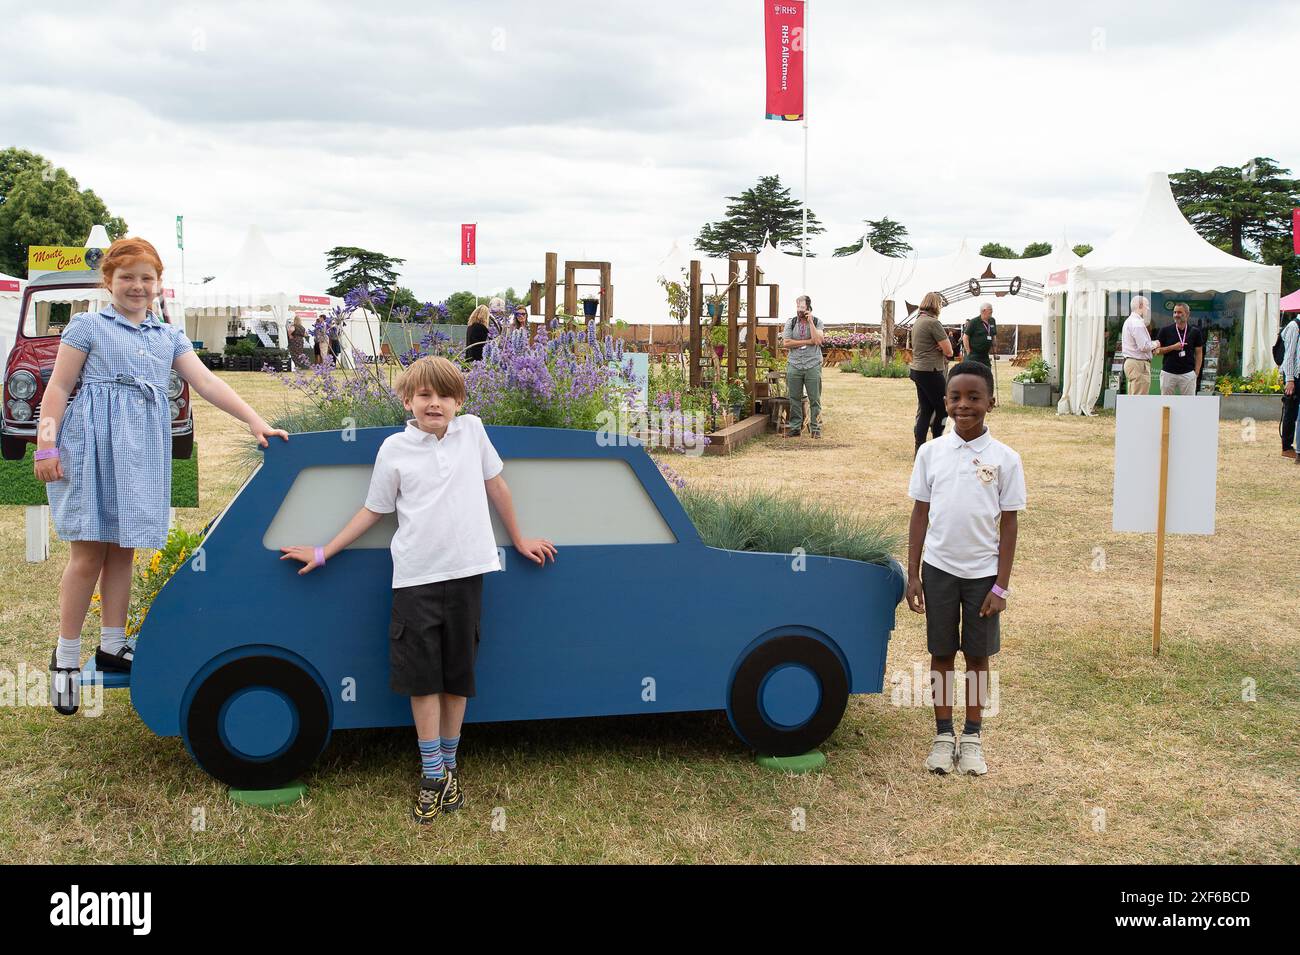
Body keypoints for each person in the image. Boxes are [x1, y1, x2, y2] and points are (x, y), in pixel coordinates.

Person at [280, 356, 557, 823]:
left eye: (445, 395)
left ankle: (450, 765)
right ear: (407, 400)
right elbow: (374, 510)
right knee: (422, 677)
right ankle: (431, 771)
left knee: (458, 676)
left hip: (468, 573)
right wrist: (324, 551)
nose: (435, 403)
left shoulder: (473, 432)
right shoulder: (394, 449)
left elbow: (498, 488)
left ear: (459, 402)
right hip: (416, 579)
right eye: (425, 395)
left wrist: (520, 537)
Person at [37, 237, 288, 713]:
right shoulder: (87, 326)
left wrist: (256, 420)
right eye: (127, 276)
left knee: (124, 549)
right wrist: (45, 443)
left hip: (140, 452)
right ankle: (66, 657)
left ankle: (113, 645)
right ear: (108, 280)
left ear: (158, 285)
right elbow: (58, 387)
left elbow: (208, 382)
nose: (136, 286)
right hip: (90, 447)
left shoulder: (167, 337)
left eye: (146, 278)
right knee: (88, 552)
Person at [906, 360, 1026, 776]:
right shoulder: (931, 452)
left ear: (991, 402)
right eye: (955, 397)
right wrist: (913, 573)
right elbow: (919, 514)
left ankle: (971, 736)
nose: (964, 405)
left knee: (976, 657)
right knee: (941, 654)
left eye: (974, 397)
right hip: (938, 571)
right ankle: (943, 735)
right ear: (944, 402)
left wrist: (1001, 587)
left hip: (982, 577)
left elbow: (1009, 525)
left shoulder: (1005, 459)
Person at [908, 291, 953, 455]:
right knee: (943, 408)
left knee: (925, 410)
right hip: (931, 370)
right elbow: (949, 351)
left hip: (918, 370)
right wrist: (942, 346)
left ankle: (919, 448)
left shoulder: (918, 321)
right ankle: (938, 446)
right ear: (937, 305)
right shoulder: (934, 323)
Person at [782, 295, 824, 438]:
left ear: (808, 308)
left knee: (815, 398)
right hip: (794, 364)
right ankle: (795, 427)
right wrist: (807, 341)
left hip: (812, 364)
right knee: (794, 397)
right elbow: (786, 343)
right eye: (797, 307)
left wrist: (811, 322)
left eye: (802, 307)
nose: (799, 310)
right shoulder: (791, 322)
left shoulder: (818, 322)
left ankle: (815, 428)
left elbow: (817, 340)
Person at [1154, 302, 1203, 396]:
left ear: (1187, 314)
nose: (1176, 315)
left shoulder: (1195, 332)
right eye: (1174, 312)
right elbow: (1157, 351)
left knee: (1188, 404)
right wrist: (1173, 347)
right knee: (1166, 404)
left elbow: (1199, 353)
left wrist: (1196, 372)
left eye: (1180, 312)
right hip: (1168, 373)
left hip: (1188, 373)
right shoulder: (1165, 331)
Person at [1120, 295, 1157, 395]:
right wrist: (1156, 344)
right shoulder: (1137, 322)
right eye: (1147, 305)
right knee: (1139, 399)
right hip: (1138, 364)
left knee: (1133, 398)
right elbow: (1144, 346)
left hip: (1133, 362)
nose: (1148, 308)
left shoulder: (1129, 321)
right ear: (1140, 305)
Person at [1278, 310, 1299, 460]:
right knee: (1290, 410)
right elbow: (1289, 355)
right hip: (1294, 375)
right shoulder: (1294, 326)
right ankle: (1286, 446)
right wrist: (1290, 379)